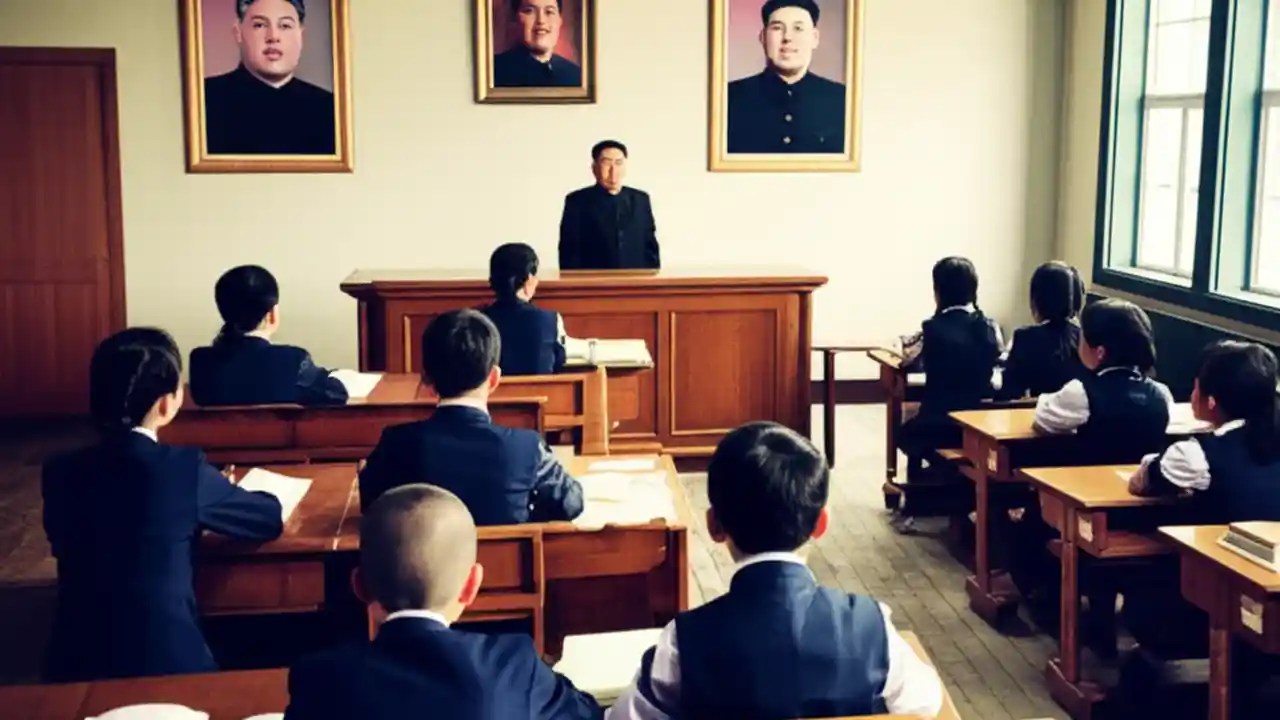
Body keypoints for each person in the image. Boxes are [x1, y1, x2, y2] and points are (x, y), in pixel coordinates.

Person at [608, 422, 943, 719]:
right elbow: (925, 705)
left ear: (714, 525)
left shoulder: (685, 641)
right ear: (821, 524)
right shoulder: (873, 628)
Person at [41, 328, 283, 682]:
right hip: (165, 659)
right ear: (167, 403)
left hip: (72, 661)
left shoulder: (59, 470)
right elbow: (266, 519)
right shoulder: (182, 469)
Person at [283, 484, 601, 719]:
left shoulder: (317, 677)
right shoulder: (512, 665)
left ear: (360, 586)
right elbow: (587, 713)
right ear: (471, 586)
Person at [359, 309, 584, 522]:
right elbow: (572, 503)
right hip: (505, 563)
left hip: (426, 563)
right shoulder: (528, 447)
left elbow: (370, 503)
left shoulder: (396, 444)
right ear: (494, 379)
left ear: (426, 378)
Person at [1129, 340, 1280, 518]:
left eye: (1196, 386)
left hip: (1219, 544)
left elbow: (1139, 485)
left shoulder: (1197, 455)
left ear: (1211, 401)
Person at [1033, 298, 1173, 459]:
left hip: (1083, 480)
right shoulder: (1162, 393)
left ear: (1099, 352)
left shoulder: (1081, 392)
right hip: (1139, 480)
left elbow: (1043, 421)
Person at [190, 265, 348, 406]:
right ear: (271, 314)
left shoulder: (200, 362)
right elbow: (336, 393)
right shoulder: (293, 360)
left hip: (214, 439)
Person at [897, 257, 1003, 460]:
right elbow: (999, 356)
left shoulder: (931, 327)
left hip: (937, 424)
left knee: (904, 432)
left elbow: (907, 360)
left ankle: (921, 474)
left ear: (938, 291)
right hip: (978, 424)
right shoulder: (989, 326)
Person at [204, 0, 336, 155]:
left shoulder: (329, 107)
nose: (273, 37)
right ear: (238, 33)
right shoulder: (203, 99)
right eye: (259, 25)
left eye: (285, 26)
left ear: (301, 36)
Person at [726, 0, 847, 154]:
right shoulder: (729, 97)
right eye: (777, 28)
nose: (787, 37)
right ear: (763, 37)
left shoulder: (842, 99)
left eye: (798, 28)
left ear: (815, 38)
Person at [559, 140, 661, 271]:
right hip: (593, 283)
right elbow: (569, 250)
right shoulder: (577, 201)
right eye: (607, 163)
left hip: (636, 281)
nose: (613, 170)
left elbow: (650, 246)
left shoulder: (641, 199)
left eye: (619, 163)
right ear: (594, 168)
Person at [998, 261, 1086, 400]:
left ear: (1035, 300)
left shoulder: (1025, 338)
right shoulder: (1084, 338)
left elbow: (1009, 394)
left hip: (1037, 417)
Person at [481, 243, 567, 375]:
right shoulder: (549, 319)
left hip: (493, 395)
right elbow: (560, 361)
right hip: (542, 393)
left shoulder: (477, 322)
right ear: (529, 279)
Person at [493, 0, 582, 88]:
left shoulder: (576, 76)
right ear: (515, 19)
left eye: (549, 12)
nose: (541, 21)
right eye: (530, 11)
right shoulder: (493, 71)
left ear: (559, 21)